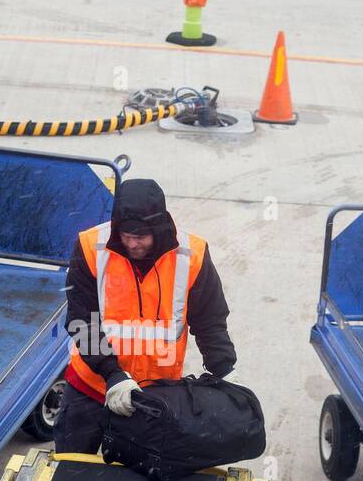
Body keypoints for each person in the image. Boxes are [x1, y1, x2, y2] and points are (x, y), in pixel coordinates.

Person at [54, 177, 237, 454]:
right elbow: (82, 321)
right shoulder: (91, 247)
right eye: (126, 235)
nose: (132, 244)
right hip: (91, 385)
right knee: (71, 465)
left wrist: (219, 363)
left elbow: (209, 318)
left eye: (140, 237)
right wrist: (112, 373)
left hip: (155, 395)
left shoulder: (192, 255)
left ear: (159, 228)